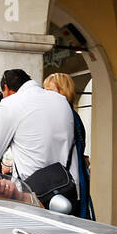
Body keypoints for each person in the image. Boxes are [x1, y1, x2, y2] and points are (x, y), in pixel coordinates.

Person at [0, 69, 78, 194]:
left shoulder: (9, 104)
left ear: (6, 87)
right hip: (67, 187)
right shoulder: (61, 100)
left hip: (34, 194)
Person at [43, 72, 95, 219]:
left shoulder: (67, 117)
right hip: (67, 183)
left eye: (50, 91)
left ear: (63, 92)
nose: (46, 96)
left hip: (65, 185)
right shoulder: (71, 116)